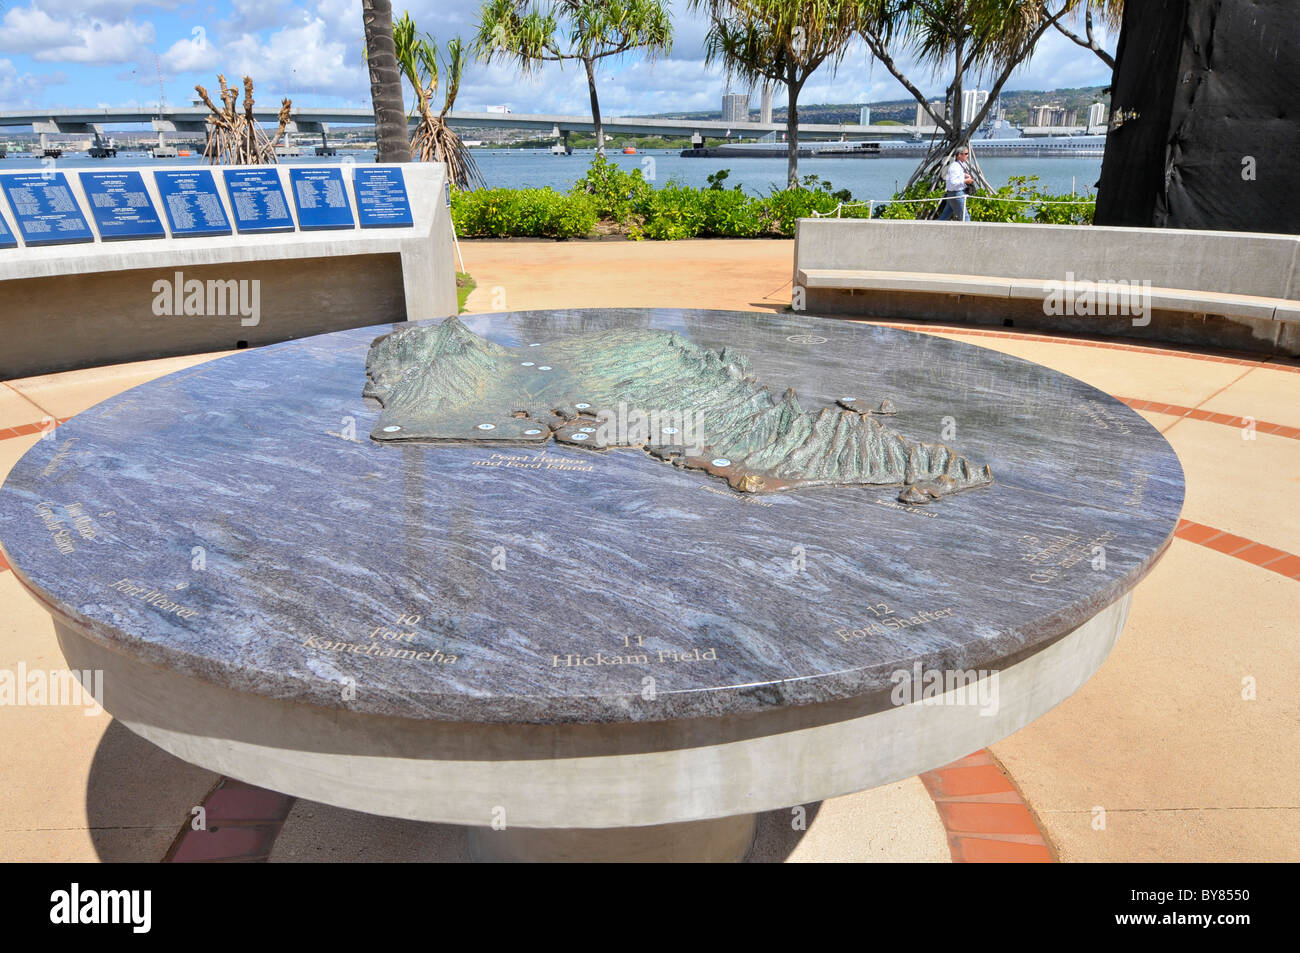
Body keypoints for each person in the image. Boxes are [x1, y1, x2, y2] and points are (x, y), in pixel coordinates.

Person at [937, 146, 974, 221]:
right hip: (957, 194)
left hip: (952, 193)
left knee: (945, 215)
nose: (967, 156)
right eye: (966, 154)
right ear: (960, 155)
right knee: (965, 217)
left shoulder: (957, 165)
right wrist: (966, 181)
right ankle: (969, 232)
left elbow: (956, 176)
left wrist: (964, 175)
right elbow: (953, 182)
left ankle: (935, 228)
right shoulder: (955, 167)